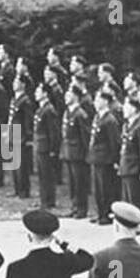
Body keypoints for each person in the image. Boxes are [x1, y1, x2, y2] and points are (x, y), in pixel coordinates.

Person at [88, 89, 121, 224]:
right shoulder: (98, 117)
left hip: (105, 159)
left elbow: (114, 142)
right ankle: (100, 212)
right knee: (97, 188)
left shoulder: (110, 120)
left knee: (105, 188)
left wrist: (115, 160)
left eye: (98, 100)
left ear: (105, 102)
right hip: (97, 158)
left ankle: (106, 214)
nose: (95, 102)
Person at [60, 87, 91, 218]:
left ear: (76, 97)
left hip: (78, 153)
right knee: (72, 183)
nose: (66, 97)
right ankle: (74, 206)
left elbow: (85, 136)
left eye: (69, 95)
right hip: (69, 152)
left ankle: (82, 208)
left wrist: (86, 154)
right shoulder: (67, 112)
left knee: (79, 183)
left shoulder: (80, 114)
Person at [118, 96, 140, 211]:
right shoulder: (127, 126)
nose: (124, 109)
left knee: (135, 202)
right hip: (126, 167)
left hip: (134, 168)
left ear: (133, 109)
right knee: (127, 201)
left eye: (126, 107)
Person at [33, 84, 61, 209]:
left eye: (38, 91)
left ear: (45, 94)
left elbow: (53, 132)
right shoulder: (41, 109)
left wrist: (53, 149)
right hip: (40, 146)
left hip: (46, 147)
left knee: (47, 175)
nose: (36, 94)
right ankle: (43, 199)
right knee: (42, 175)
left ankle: (49, 201)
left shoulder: (49, 110)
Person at [8, 76, 35, 199]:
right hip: (13, 133)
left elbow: (28, 120)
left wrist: (28, 137)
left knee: (21, 166)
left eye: (17, 82)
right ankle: (17, 188)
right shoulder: (14, 99)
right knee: (14, 164)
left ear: (23, 85)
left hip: (20, 134)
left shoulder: (25, 101)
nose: (14, 84)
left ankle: (24, 190)